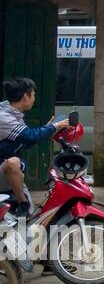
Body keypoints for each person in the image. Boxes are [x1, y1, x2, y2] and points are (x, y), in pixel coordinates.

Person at [0, 77, 67, 218]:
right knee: (13, 163)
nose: (34, 98)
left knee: (30, 220)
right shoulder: (3, 116)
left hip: (8, 172)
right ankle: (22, 204)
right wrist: (54, 126)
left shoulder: (13, 113)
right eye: (33, 94)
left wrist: (49, 129)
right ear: (26, 95)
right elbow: (28, 136)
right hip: (5, 168)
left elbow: (24, 141)